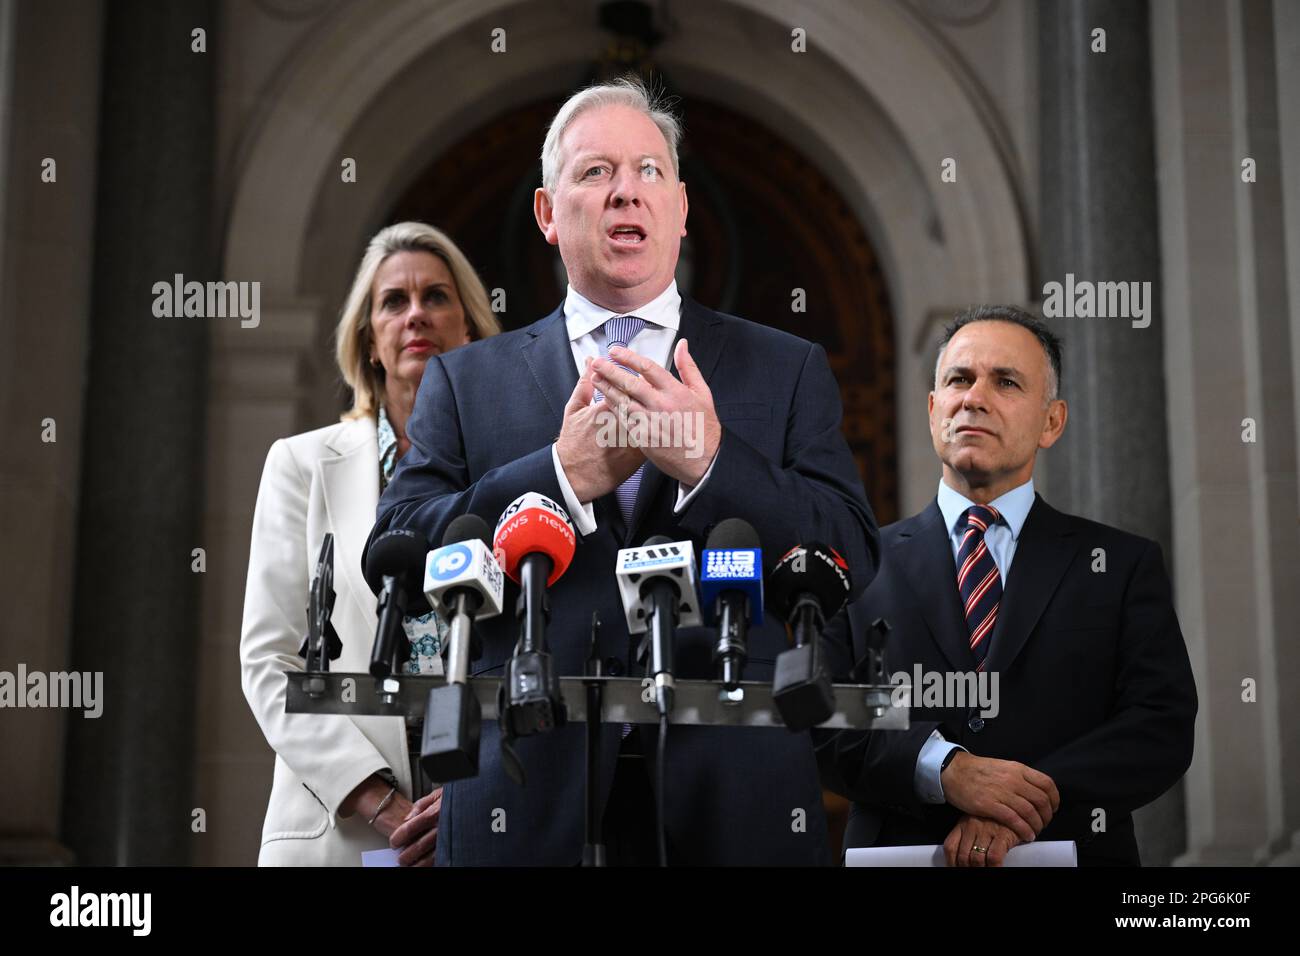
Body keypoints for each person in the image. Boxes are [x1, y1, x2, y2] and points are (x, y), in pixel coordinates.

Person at [366, 77, 879, 865]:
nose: (623, 195)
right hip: (526, 792)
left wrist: (712, 464)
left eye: (647, 173)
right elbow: (398, 549)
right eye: (595, 172)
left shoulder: (785, 368)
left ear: (679, 208)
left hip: (734, 794)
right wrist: (560, 477)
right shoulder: (467, 381)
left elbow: (851, 549)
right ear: (547, 212)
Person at [818, 305, 1197, 866]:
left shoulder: (1119, 564)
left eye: (1006, 382)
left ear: (1052, 422)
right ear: (932, 410)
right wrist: (944, 769)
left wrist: (1018, 806)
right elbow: (822, 715)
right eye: (959, 379)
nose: (973, 397)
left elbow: (1158, 726)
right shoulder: (852, 563)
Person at [240, 222, 500, 865]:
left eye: (438, 297)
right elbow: (271, 662)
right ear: (370, 340)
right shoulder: (301, 464)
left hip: (485, 818)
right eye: (394, 301)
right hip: (341, 833)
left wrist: (473, 796)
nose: (417, 314)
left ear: (469, 329)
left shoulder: (513, 475)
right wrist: (383, 804)